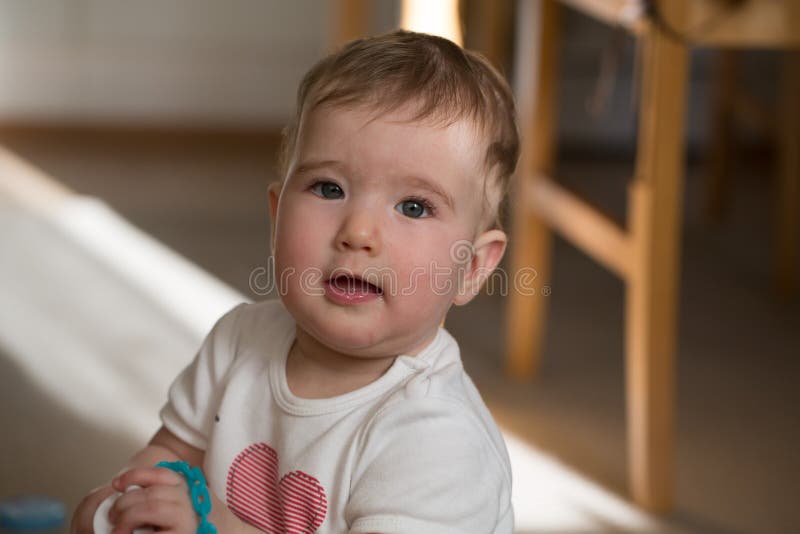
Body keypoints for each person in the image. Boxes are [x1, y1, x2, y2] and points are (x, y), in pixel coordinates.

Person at [72, 29, 519, 534]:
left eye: (413, 207)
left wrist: (214, 527)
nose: (358, 232)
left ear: (473, 266)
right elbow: (169, 458)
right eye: (329, 188)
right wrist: (123, 508)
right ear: (276, 214)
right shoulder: (240, 340)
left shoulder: (437, 439)